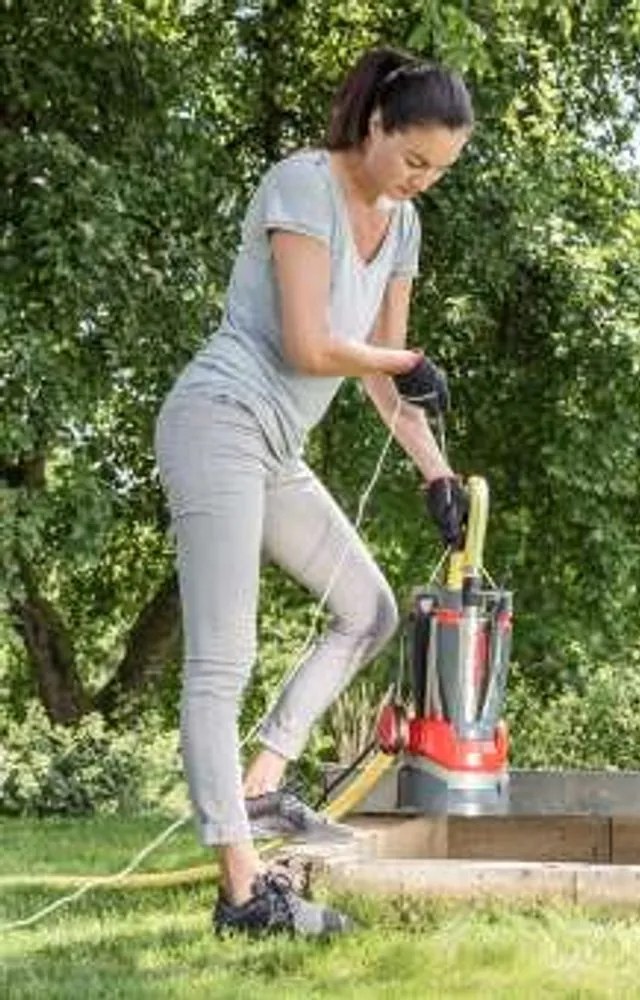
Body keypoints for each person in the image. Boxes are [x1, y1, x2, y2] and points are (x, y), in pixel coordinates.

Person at [154, 46, 473, 939]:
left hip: (278, 446)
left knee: (368, 611)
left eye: (438, 172)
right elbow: (309, 343)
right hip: (218, 417)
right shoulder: (301, 184)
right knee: (223, 660)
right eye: (412, 161)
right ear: (374, 127)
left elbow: (382, 378)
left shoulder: (402, 228)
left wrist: (434, 470)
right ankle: (243, 893)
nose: (420, 183)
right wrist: (402, 363)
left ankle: (259, 789)